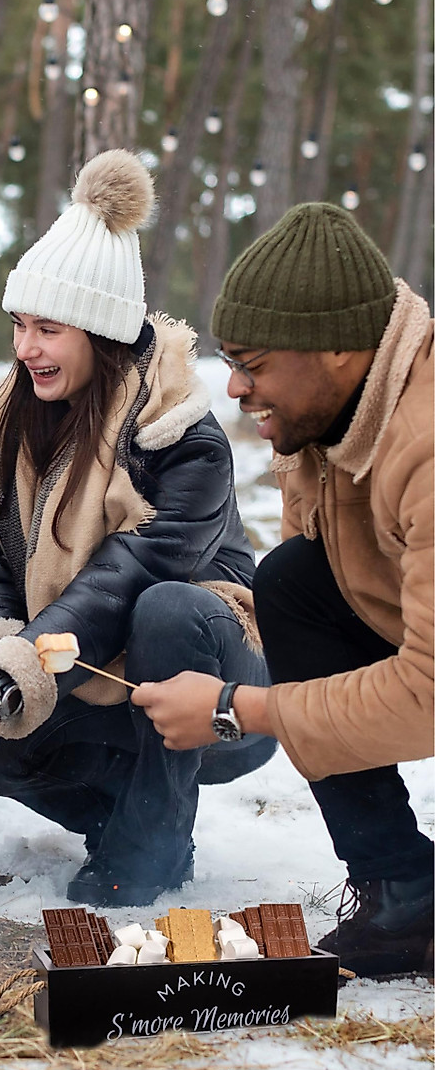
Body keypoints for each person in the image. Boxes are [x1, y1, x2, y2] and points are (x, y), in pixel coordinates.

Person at [0, 150, 274, 906]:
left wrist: (12, 674)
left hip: (220, 691)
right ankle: (129, 816)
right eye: (19, 324)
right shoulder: (24, 420)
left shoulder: (185, 441)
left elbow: (129, 577)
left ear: (102, 333)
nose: (24, 348)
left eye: (47, 328)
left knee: (166, 608)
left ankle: (154, 844)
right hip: (90, 674)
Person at [134, 203, 433, 976]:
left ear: (338, 348)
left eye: (253, 362)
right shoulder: (343, 404)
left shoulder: (427, 447)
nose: (234, 386)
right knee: (295, 582)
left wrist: (238, 709)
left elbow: (430, 693)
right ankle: (404, 891)